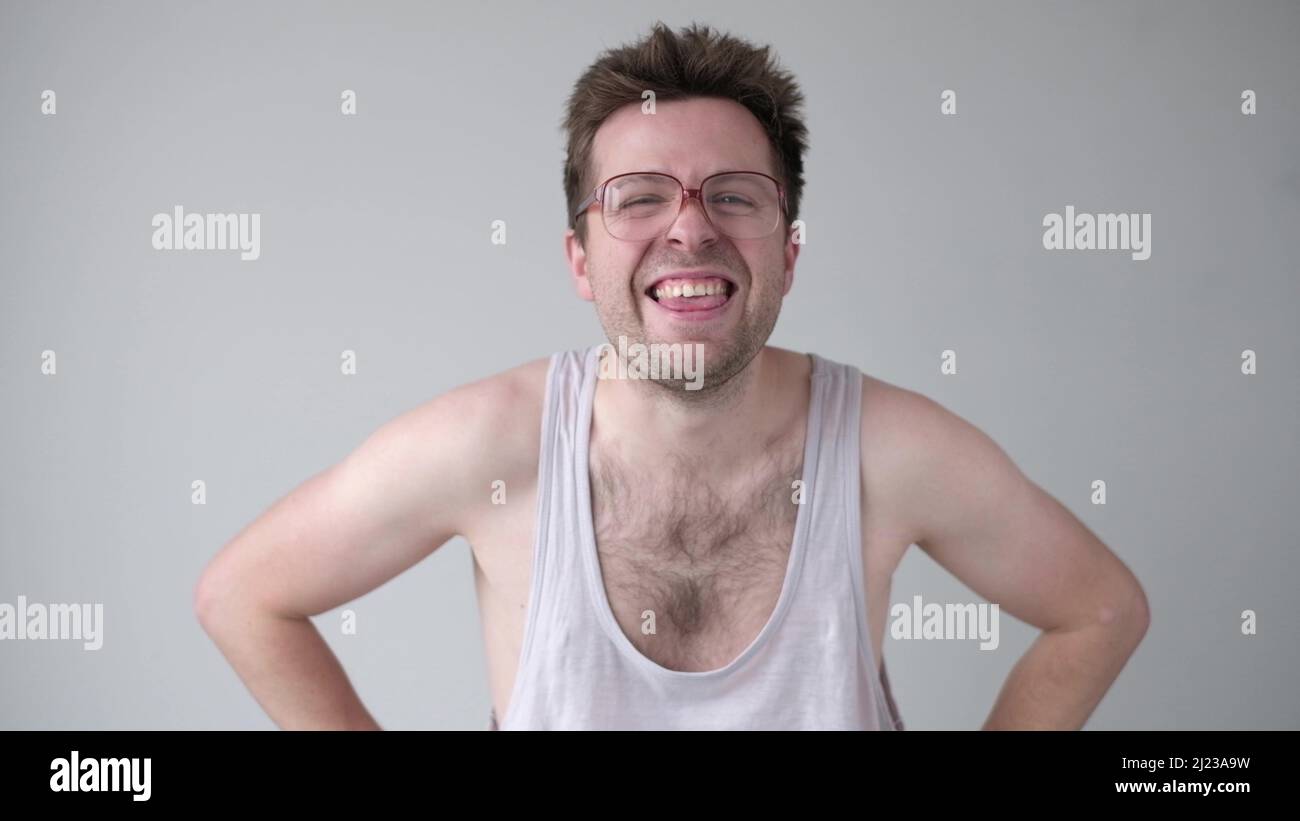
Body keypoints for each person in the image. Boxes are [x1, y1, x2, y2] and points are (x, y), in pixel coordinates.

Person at [194, 22, 1149, 730]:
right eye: (639, 197)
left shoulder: (889, 452)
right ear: (579, 258)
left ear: (788, 249)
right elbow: (244, 594)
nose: (690, 228)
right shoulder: (494, 447)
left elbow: (1100, 610)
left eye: (735, 196)